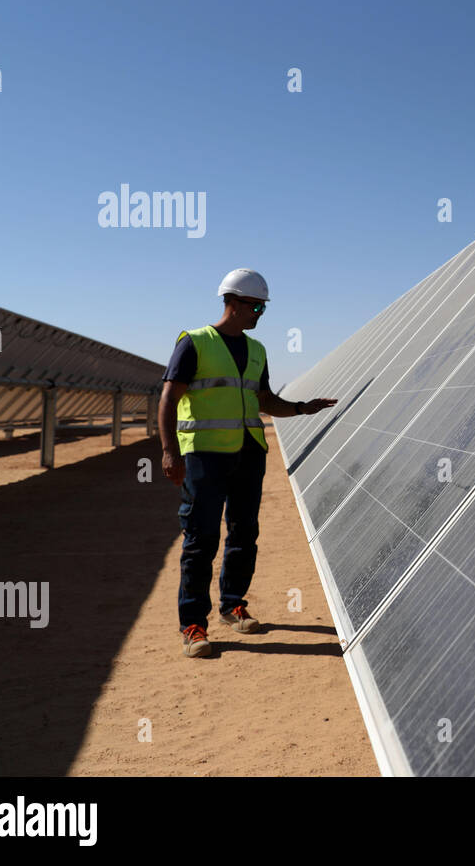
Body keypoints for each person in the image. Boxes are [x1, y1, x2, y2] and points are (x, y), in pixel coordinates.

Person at [158, 268, 336, 658]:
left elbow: (265, 400)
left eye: (263, 308)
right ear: (233, 303)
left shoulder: (257, 351)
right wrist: (170, 451)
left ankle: (233, 606)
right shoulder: (195, 343)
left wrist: (303, 408)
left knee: (243, 533)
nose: (260, 313)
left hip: (248, 453)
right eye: (256, 306)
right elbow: (169, 399)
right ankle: (193, 626)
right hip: (204, 456)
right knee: (200, 539)